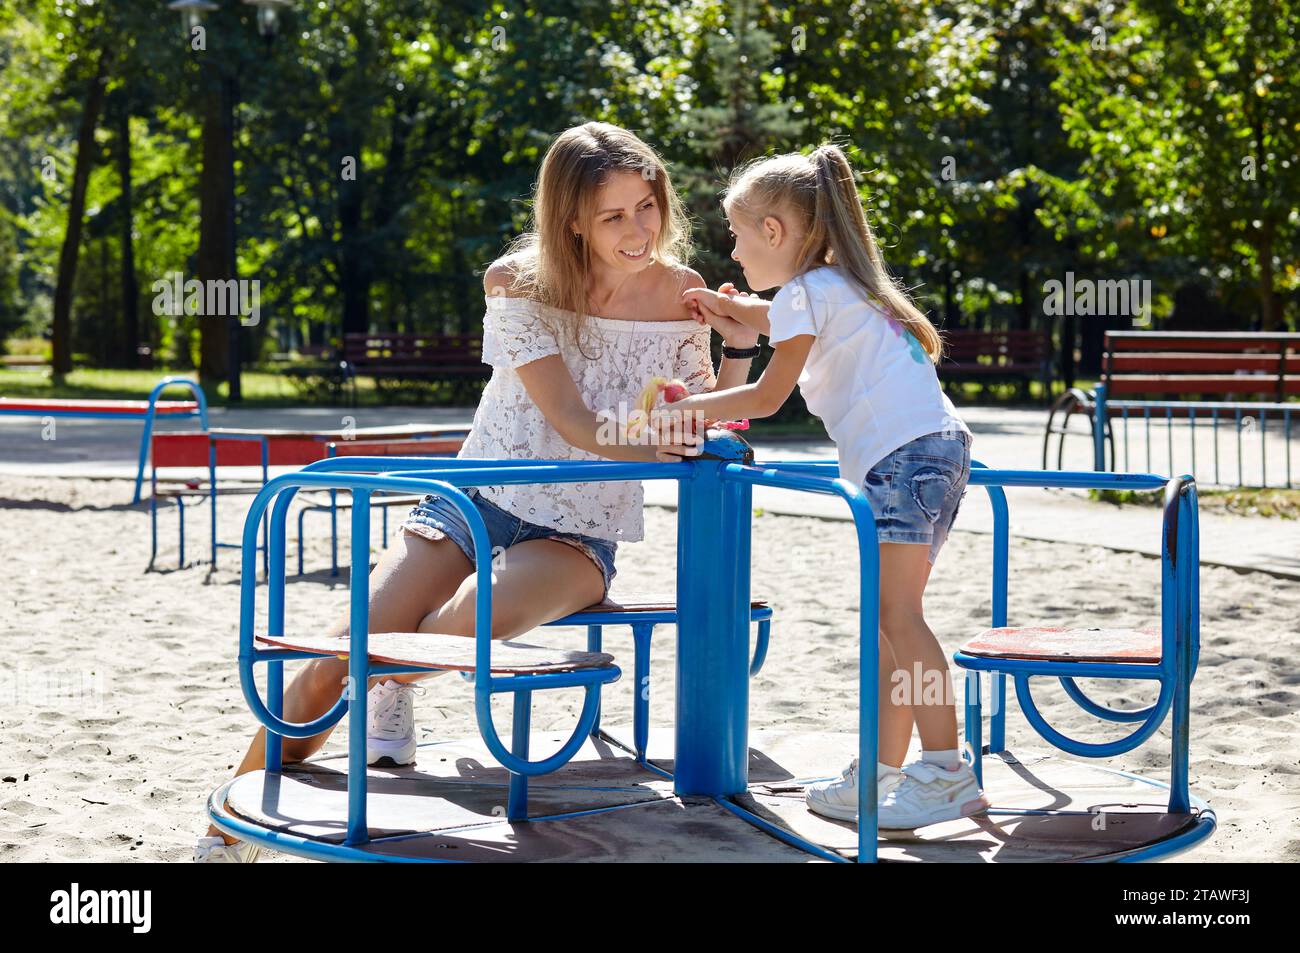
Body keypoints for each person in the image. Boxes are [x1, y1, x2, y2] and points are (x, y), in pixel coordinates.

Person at [195, 121, 760, 861]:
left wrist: (739, 342)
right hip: (474, 501)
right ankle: (225, 836)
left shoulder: (680, 292)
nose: (639, 229)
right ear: (571, 221)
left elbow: (712, 411)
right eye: (613, 215)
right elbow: (576, 423)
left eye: (647, 205)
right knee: (341, 652)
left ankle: (388, 678)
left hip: (577, 532)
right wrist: (663, 436)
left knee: (471, 616)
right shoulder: (516, 281)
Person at [672, 144, 989, 831]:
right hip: (935, 451)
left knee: (899, 618)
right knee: (890, 623)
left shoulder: (811, 292)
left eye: (736, 232)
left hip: (901, 458)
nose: (733, 251)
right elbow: (774, 318)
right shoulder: (841, 286)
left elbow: (765, 396)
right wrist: (728, 312)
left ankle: (945, 770)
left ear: (775, 232)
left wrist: (678, 410)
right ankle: (882, 773)